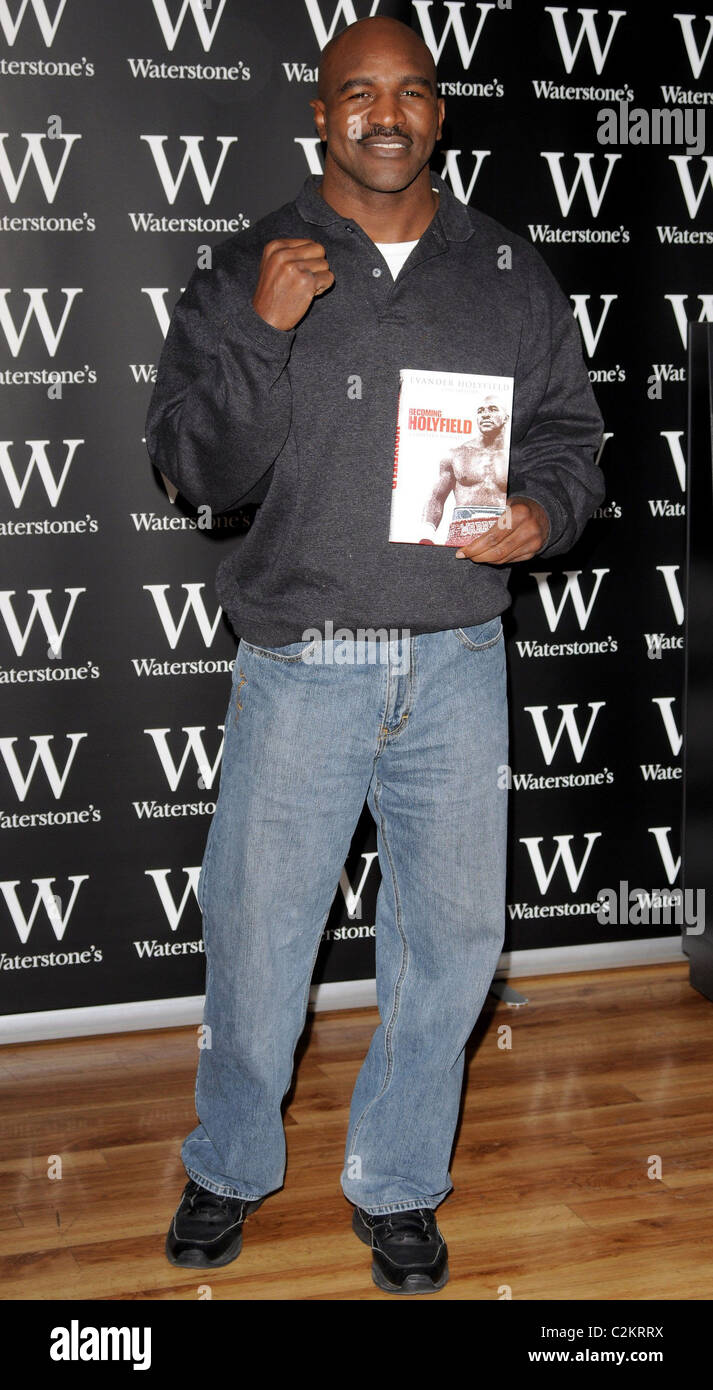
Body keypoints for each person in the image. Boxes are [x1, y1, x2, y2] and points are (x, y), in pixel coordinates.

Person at [144, 15, 605, 1295]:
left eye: (409, 92)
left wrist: (537, 515)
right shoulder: (250, 261)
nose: (384, 113)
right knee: (255, 946)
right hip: (300, 666)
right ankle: (230, 1162)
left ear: (441, 113)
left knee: (452, 946)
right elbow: (196, 468)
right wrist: (260, 329)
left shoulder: (509, 272)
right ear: (321, 112)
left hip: (459, 664)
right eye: (358, 92)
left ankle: (398, 1183)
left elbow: (571, 444)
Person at [420, 397, 511, 545]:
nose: (485, 415)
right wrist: (426, 535)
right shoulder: (456, 454)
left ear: (506, 417)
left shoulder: (516, 458)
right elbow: (437, 498)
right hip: (460, 536)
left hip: (503, 537)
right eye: (480, 411)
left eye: (493, 409)